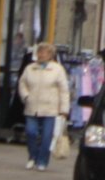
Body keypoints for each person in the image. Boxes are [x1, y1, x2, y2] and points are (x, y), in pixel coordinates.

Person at [18, 43, 70, 172]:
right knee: (31, 133)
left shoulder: (57, 69)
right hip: (32, 107)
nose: (41, 55)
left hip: (50, 109)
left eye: (44, 52)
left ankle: (42, 161)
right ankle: (32, 157)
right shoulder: (30, 68)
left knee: (47, 137)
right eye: (39, 52)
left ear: (50, 55)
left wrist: (64, 109)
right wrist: (25, 97)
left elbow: (64, 90)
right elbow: (22, 83)